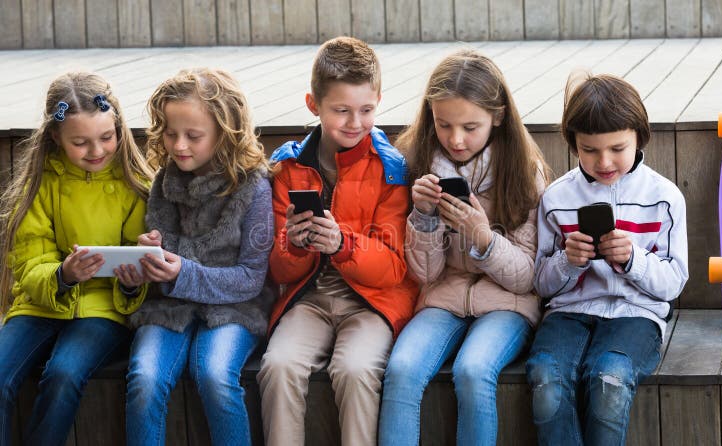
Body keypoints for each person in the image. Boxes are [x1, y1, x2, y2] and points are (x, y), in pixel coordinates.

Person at [378, 50, 550, 445]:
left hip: (508, 305)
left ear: (499, 116)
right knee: (402, 369)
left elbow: (526, 277)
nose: (456, 139)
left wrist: (483, 237)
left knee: (473, 371)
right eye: (444, 125)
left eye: (470, 127)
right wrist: (422, 217)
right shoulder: (420, 164)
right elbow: (425, 274)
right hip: (443, 298)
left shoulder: (525, 173)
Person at [257, 36, 418, 446]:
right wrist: (292, 243)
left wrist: (343, 244)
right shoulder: (288, 167)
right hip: (308, 298)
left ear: (379, 99)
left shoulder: (391, 170)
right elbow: (279, 270)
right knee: (278, 366)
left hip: (371, 301)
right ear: (314, 105)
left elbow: (394, 267)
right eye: (341, 111)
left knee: (356, 369)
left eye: (366, 110)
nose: (355, 122)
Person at [526, 70, 688, 445]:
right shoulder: (557, 198)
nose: (604, 162)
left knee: (609, 379)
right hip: (568, 313)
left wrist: (634, 259)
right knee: (546, 380)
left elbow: (673, 282)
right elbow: (541, 282)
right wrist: (569, 261)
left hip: (636, 314)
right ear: (573, 145)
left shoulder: (664, 197)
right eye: (589, 150)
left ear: (639, 137)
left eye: (618, 148)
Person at [0, 72, 153, 445]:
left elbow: (139, 263)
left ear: (118, 127)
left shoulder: (135, 186)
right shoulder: (40, 184)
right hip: (38, 306)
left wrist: (134, 282)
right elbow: (29, 259)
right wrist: (62, 275)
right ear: (56, 138)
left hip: (103, 311)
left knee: (64, 373)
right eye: (80, 143)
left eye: (106, 137)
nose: (97, 151)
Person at [125, 68, 274, 446]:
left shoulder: (253, 187)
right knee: (144, 378)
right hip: (171, 308)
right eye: (171, 133)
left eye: (193, 136)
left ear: (225, 133)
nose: (179, 146)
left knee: (214, 375)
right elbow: (163, 253)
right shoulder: (165, 180)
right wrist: (147, 262)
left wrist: (181, 269)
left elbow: (251, 277)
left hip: (236, 307)